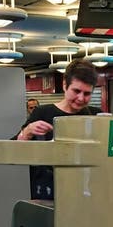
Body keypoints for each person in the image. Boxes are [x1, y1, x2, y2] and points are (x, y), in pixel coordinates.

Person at [15, 59, 98, 201]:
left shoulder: (95, 116)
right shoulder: (42, 113)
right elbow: (15, 150)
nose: (81, 98)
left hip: (85, 195)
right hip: (46, 195)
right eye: (76, 91)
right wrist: (27, 132)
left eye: (87, 94)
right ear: (65, 85)